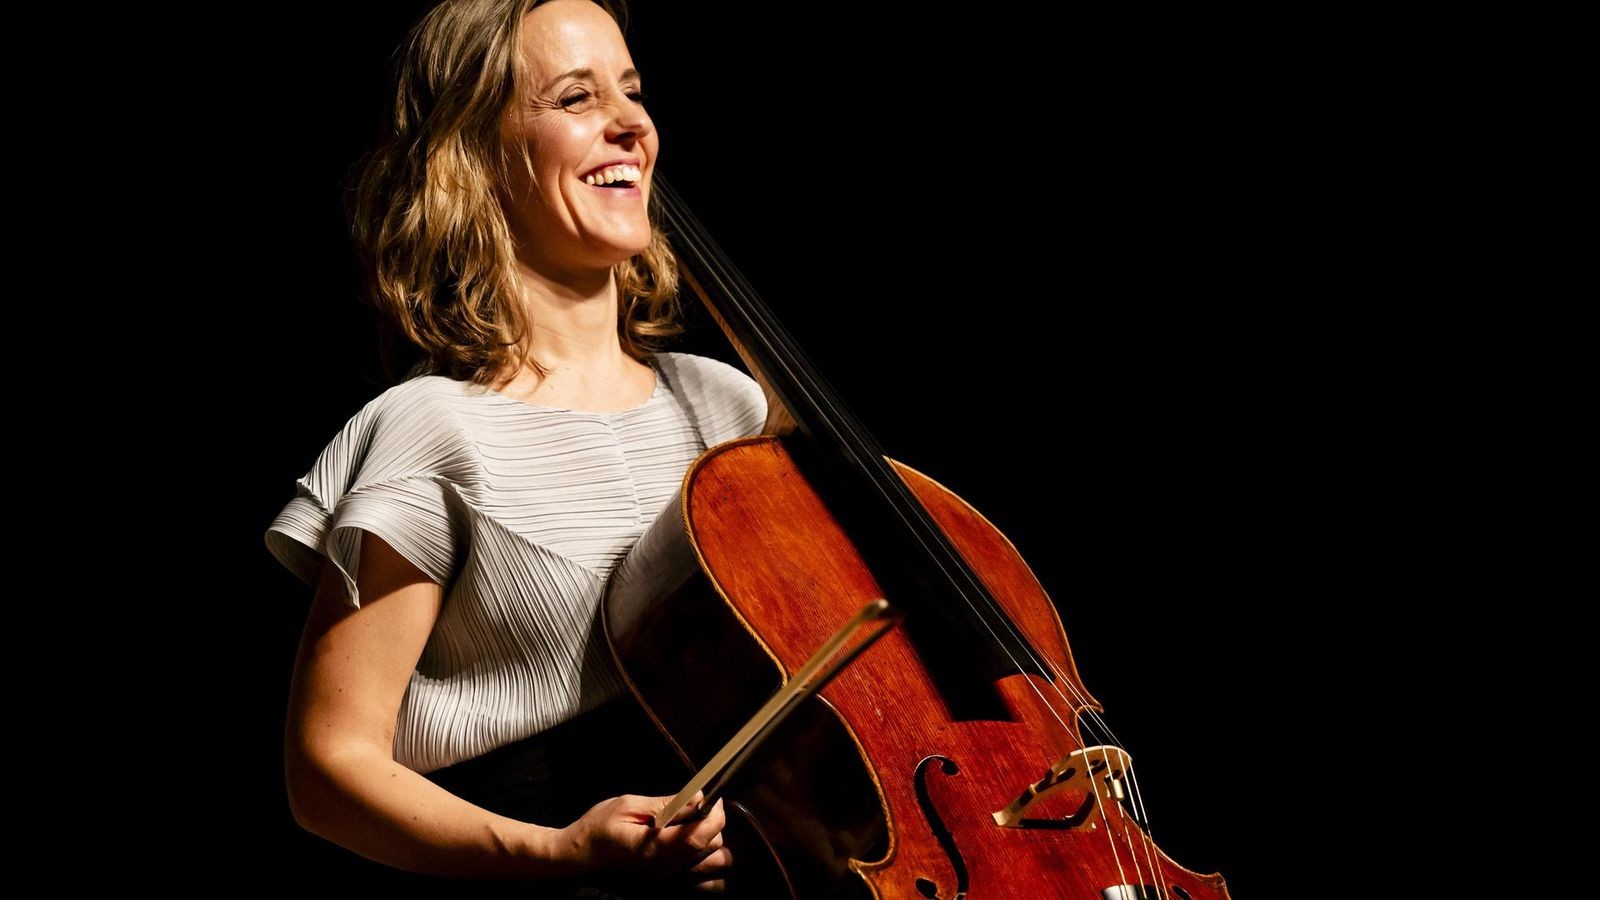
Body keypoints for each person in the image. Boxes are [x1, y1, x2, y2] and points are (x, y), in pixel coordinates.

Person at [265, 0, 765, 892]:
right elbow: (327, 768)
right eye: (575, 98)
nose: (631, 123)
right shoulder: (433, 430)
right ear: (477, 158)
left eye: (633, 91)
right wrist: (557, 855)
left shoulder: (728, 409)